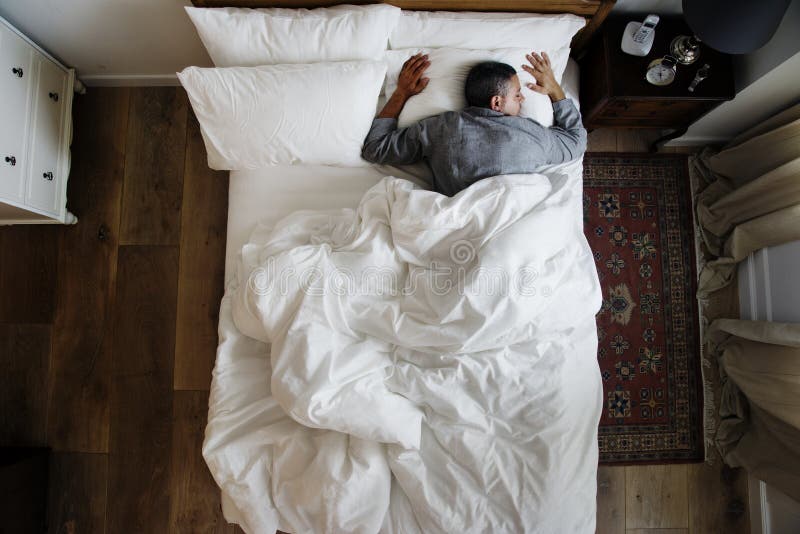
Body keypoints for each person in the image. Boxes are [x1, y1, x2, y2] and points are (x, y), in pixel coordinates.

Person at [361, 52, 587, 196]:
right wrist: (555, 89)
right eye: (517, 94)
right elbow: (576, 142)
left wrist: (401, 93)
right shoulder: (531, 133)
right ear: (497, 102)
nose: (523, 99)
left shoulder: (440, 128)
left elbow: (376, 148)